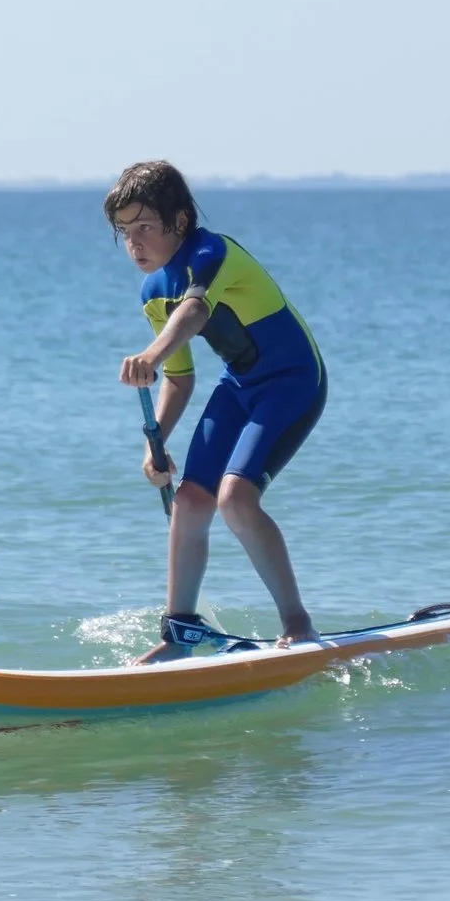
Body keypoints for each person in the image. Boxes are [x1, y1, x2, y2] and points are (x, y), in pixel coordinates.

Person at [108, 160, 327, 662]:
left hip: (293, 381)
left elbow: (196, 311)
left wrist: (151, 355)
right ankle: (181, 632)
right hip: (240, 385)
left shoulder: (212, 251)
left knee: (236, 499)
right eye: (124, 233)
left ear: (179, 220)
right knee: (190, 502)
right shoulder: (152, 292)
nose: (134, 243)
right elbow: (181, 380)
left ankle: (298, 623)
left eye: (144, 227)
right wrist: (154, 444)